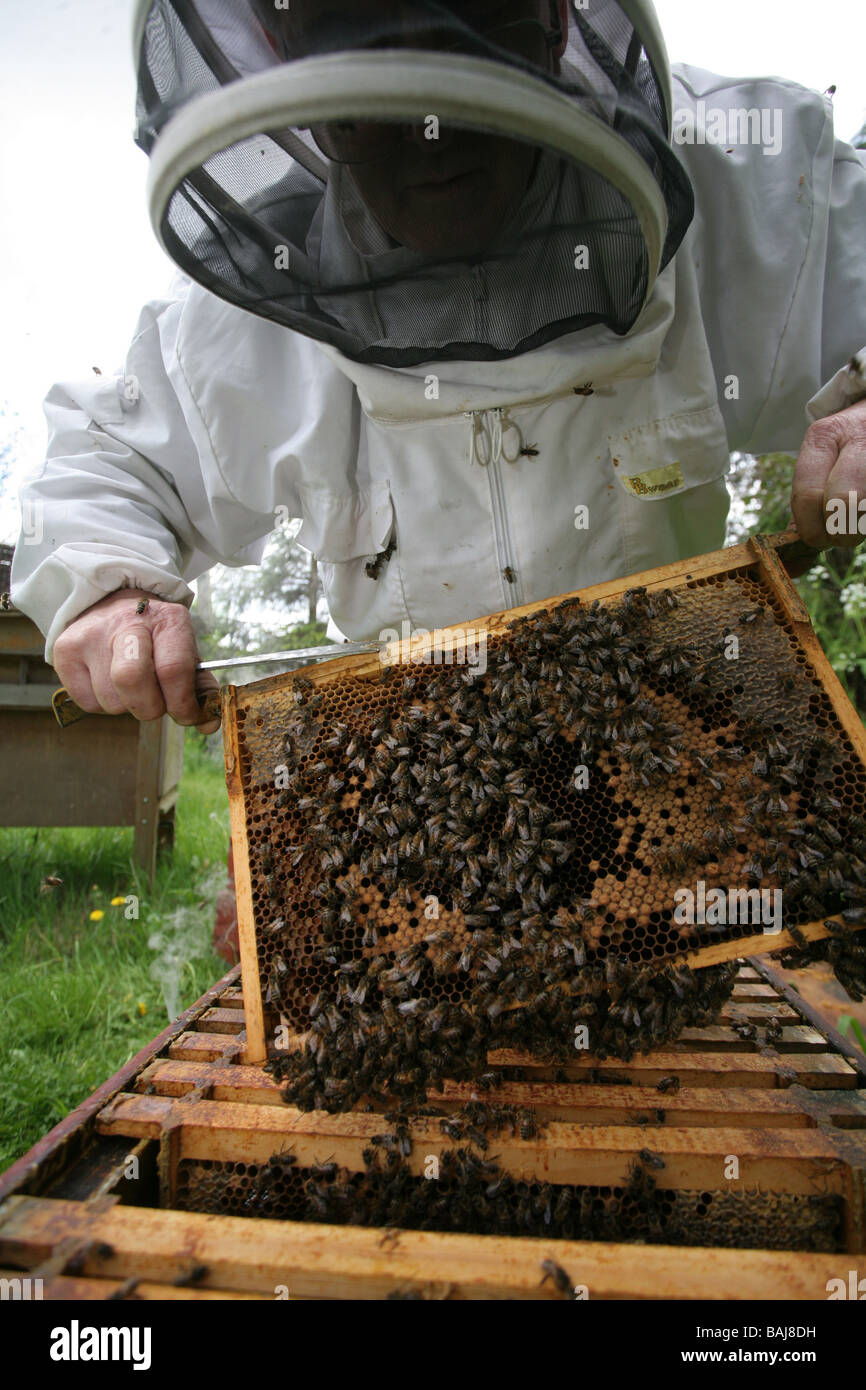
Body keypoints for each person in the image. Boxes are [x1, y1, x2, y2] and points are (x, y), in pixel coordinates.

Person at [11, 0, 866, 739]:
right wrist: (107, 588)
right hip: (423, 826)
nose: (430, 136)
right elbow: (108, 463)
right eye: (368, 78)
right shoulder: (245, 316)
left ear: (557, 20)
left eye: (472, 41)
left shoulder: (749, 183)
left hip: (674, 757)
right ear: (288, 61)